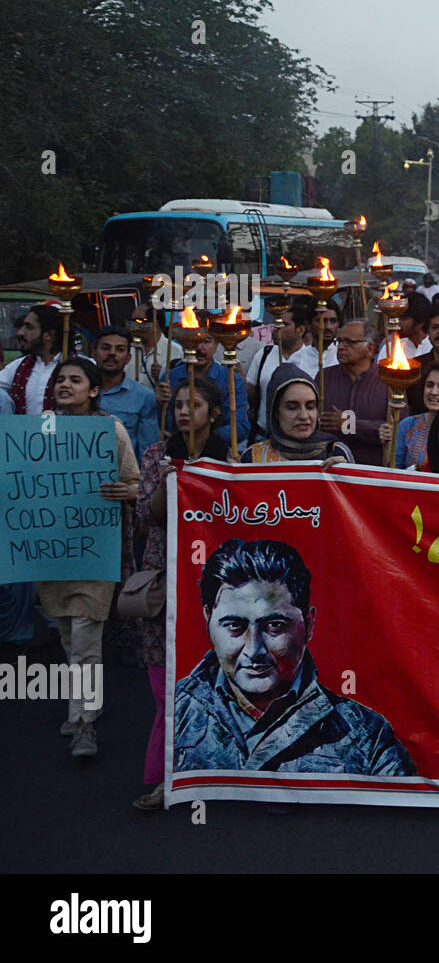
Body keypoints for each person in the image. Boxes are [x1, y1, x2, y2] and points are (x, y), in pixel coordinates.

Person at [174, 538, 416, 775]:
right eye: (235, 627)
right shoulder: (174, 712)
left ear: (309, 623)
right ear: (208, 620)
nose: (254, 649)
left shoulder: (366, 737)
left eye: (274, 626)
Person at [132, 376, 230, 809]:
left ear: (214, 413)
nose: (185, 412)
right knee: (164, 687)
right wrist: (171, 482)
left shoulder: (229, 458)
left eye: (196, 405)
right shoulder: (157, 455)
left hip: (213, 585)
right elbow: (145, 517)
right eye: (179, 406)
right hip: (164, 580)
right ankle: (163, 777)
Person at [36, 358, 140, 759]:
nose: (66, 385)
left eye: (75, 380)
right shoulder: (41, 429)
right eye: (60, 379)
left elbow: (134, 484)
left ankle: (83, 722)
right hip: (51, 550)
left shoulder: (110, 430)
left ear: (94, 390)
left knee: (84, 636)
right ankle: (88, 702)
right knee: (66, 632)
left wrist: (122, 492)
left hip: (94, 548)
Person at [157, 326, 249, 449]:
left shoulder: (231, 380)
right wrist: (160, 404)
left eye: (206, 341)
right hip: (178, 450)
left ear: (216, 344)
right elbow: (165, 423)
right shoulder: (170, 377)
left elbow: (240, 427)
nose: (200, 348)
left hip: (217, 452)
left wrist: (202, 438)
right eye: (194, 341)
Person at [242, 364, 353, 465]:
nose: (304, 416)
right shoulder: (253, 457)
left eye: (310, 407)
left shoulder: (336, 452)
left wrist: (343, 476)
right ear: (275, 412)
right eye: (292, 408)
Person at [245, 300, 320, 442]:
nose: (276, 328)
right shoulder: (264, 354)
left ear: (300, 330)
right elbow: (251, 391)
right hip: (264, 436)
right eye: (275, 322)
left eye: (284, 324)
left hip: (302, 439)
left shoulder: (314, 360)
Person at [319, 322, 391, 466]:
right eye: (339, 341)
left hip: (372, 470)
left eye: (349, 342)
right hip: (330, 469)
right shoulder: (324, 377)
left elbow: (394, 429)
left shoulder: (388, 381)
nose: (340, 347)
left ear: (370, 349)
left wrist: (349, 424)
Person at [378, 361, 439, 469]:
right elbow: (393, 472)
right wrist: (388, 443)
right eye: (429, 385)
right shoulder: (408, 425)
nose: (433, 392)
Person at [93, 325, 160, 463]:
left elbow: (147, 450)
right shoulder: (79, 391)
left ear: (128, 358)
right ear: (93, 353)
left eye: (120, 349)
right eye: (106, 348)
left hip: (123, 479)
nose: (112, 353)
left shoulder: (144, 396)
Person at [0, 302, 64, 413]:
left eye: (29, 327)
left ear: (49, 334)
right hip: (23, 430)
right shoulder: (18, 366)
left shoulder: (79, 366)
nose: (20, 333)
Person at [128, 300, 185, 389]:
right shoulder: (128, 349)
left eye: (140, 321)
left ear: (156, 323)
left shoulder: (175, 350)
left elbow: (182, 386)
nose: (135, 326)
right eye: (132, 321)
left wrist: (163, 376)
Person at [378, 294, 434, 362]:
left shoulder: (434, 349)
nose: (397, 322)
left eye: (403, 318)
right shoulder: (390, 348)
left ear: (420, 322)